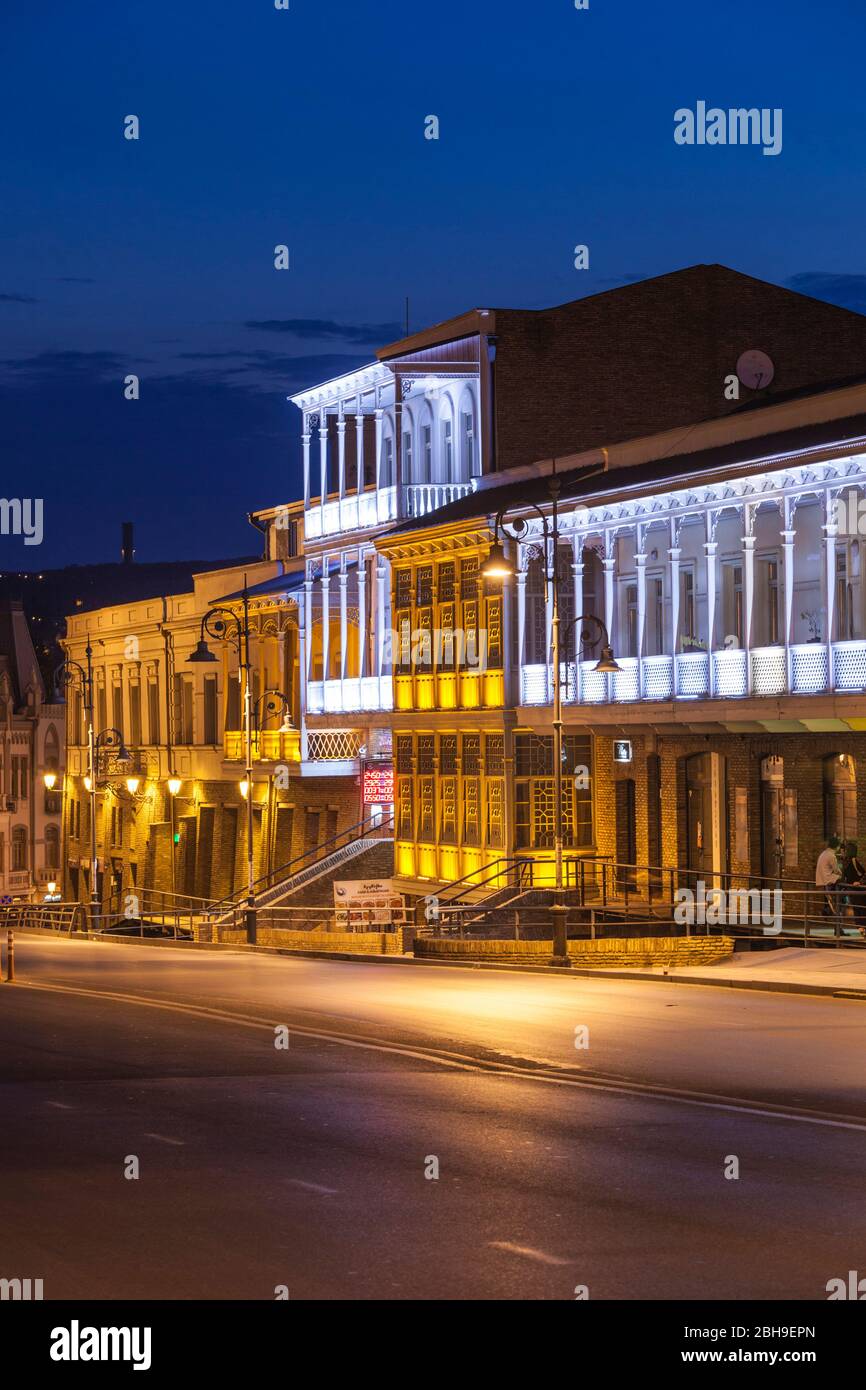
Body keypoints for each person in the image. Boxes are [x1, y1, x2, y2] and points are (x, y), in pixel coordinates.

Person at [841, 841, 866, 935]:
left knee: (856, 909)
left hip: (851, 889)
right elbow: (863, 873)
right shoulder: (853, 860)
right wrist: (860, 882)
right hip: (859, 889)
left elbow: (845, 877)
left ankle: (860, 928)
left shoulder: (844, 862)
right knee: (862, 909)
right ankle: (863, 928)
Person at [816, 836, 842, 917]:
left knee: (831, 900)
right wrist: (841, 874)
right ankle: (842, 900)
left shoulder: (824, 853)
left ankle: (828, 909)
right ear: (837, 846)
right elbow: (836, 870)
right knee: (842, 881)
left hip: (822, 879)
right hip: (829, 879)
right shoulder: (832, 856)